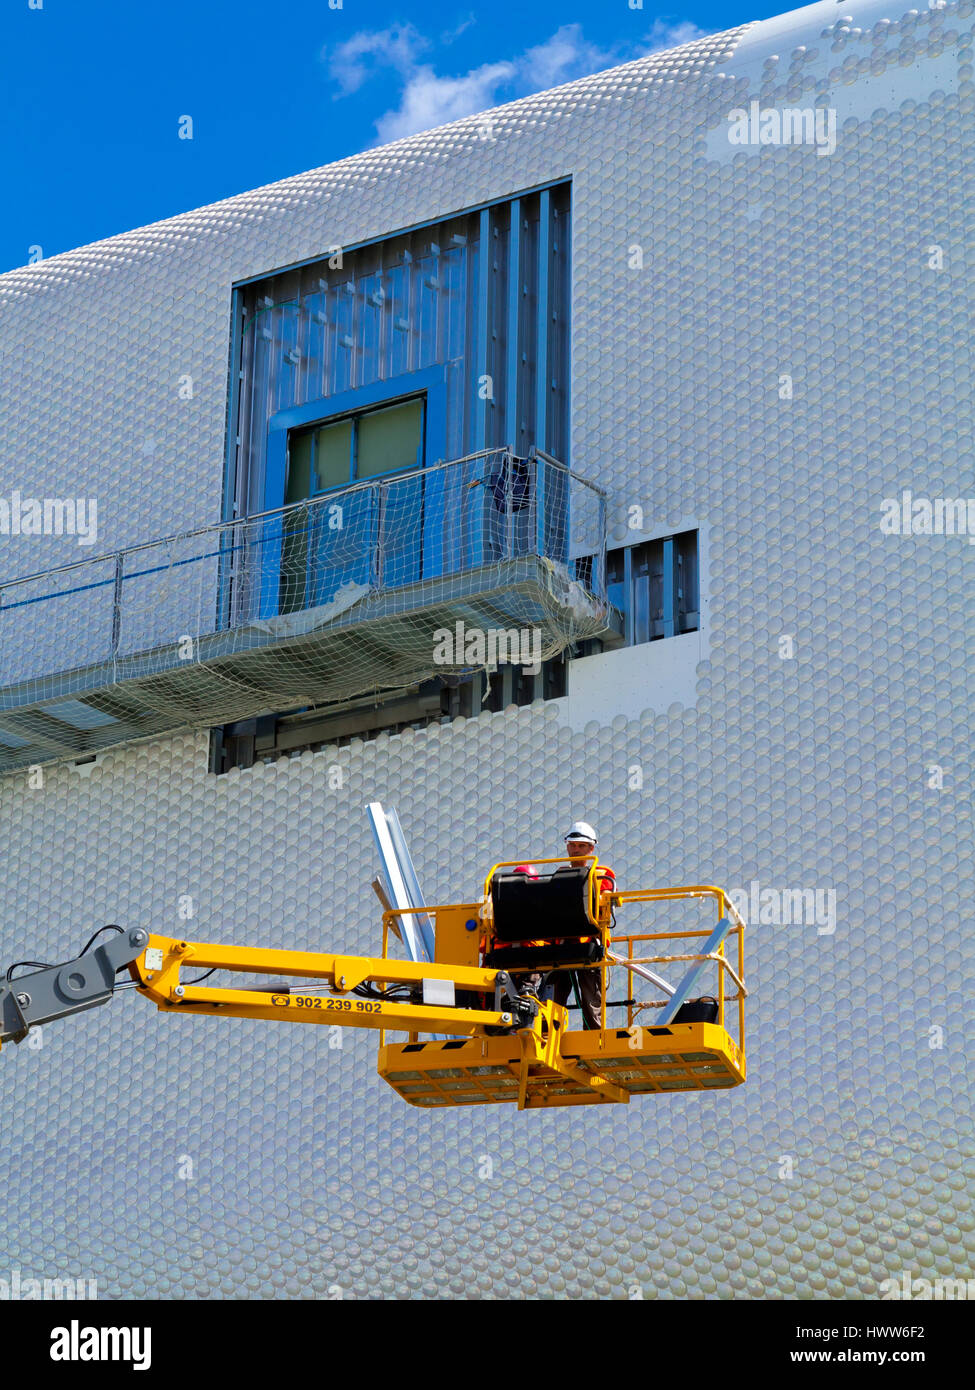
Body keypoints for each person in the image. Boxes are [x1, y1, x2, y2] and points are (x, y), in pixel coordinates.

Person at [541, 821, 616, 1029]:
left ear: (591, 848)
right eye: (572, 845)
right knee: (554, 998)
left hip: (588, 943)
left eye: (581, 846)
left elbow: (606, 897)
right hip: (562, 945)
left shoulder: (601, 875)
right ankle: (549, 1037)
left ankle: (593, 1038)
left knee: (591, 998)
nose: (575, 850)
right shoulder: (561, 875)